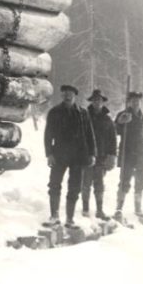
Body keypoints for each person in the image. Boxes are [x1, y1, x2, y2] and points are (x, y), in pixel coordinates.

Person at [43, 84, 97, 228]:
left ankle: (70, 219)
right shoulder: (54, 112)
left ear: (75, 95)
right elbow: (48, 135)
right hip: (59, 154)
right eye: (65, 93)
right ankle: (54, 216)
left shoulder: (83, 113)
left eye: (70, 93)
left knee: (74, 187)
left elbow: (90, 135)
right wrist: (49, 154)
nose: (67, 96)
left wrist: (92, 154)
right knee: (54, 184)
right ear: (62, 95)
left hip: (78, 156)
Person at [82, 89, 117, 220]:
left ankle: (99, 210)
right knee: (85, 183)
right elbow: (79, 136)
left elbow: (113, 140)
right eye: (95, 99)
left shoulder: (108, 120)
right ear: (92, 101)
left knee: (99, 184)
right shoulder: (84, 116)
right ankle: (85, 209)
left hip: (101, 157)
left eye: (100, 100)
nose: (97, 102)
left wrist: (112, 156)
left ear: (102, 102)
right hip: (86, 156)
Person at [114, 91, 143, 221]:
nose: (135, 102)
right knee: (124, 181)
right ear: (129, 102)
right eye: (133, 100)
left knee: (140, 182)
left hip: (142, 155)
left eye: (137, 100)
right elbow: (115, 130)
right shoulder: (123, 115)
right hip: (127, 154)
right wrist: (121, 122)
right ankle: (119, 207)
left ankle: (138, 207)